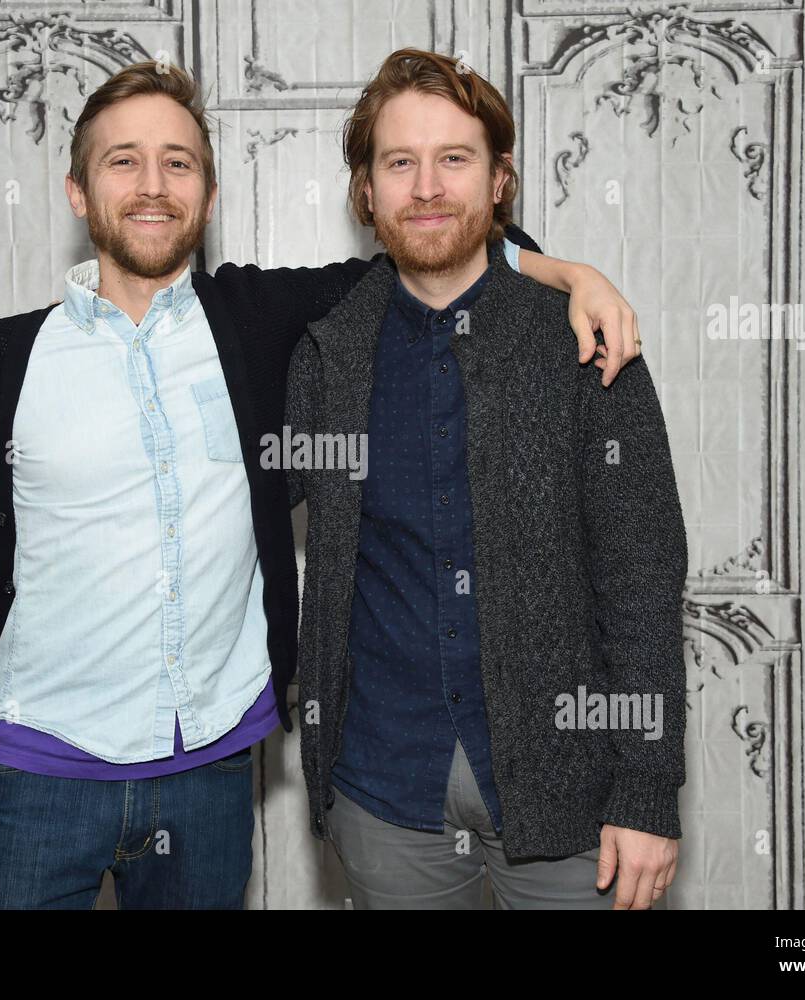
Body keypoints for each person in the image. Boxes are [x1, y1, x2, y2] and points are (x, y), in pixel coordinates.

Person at [0, 57, 641, 909]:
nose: (153, 185)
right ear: (78, 192)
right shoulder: (3, 358)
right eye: (123, 161)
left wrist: (566, 273)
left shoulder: (255, 326)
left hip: (210, 772)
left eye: (178, 163)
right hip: (41, 772)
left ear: (209, 197)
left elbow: (432, 243)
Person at [285, 48, 687, 910]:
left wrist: (649, 788)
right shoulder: (329, 354)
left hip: (572, 800)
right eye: (400, 162)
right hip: (385, 797)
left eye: (454, 159)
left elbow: (643, 573)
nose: (427, 187)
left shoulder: (584, 344)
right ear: (366, 191)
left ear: (500, 179)